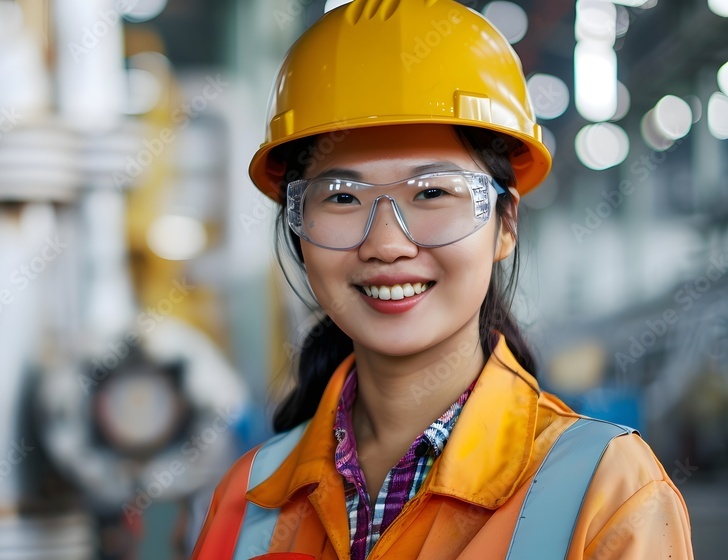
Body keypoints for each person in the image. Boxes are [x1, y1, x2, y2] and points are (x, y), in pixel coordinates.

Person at [190, 1, 694, 559]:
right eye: (341, 198)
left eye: (431, 192)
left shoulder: (608, 490)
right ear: (297, 231)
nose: (385, 244)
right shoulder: (246, 498)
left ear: (505, 224)